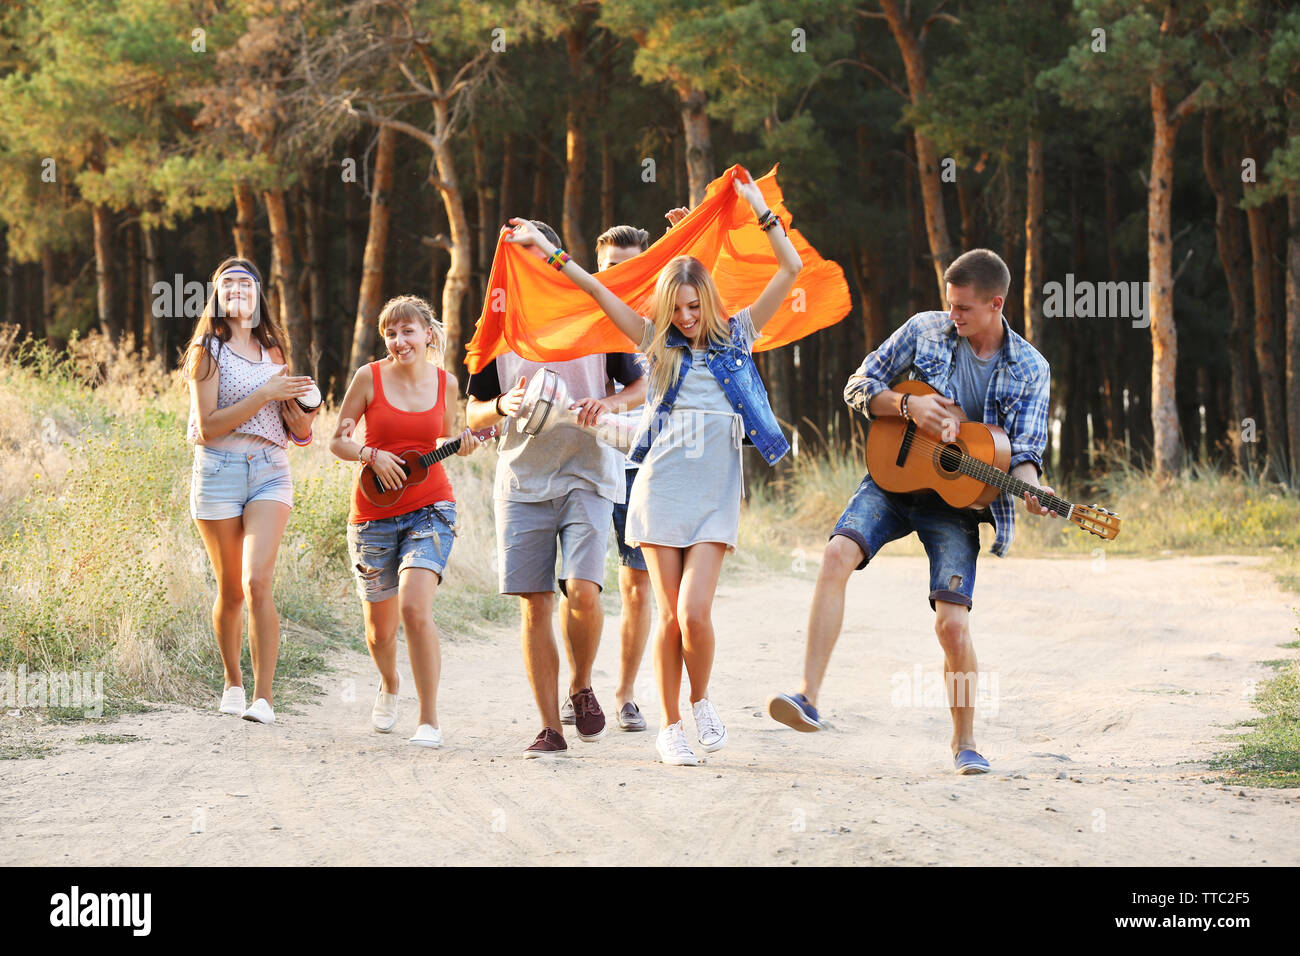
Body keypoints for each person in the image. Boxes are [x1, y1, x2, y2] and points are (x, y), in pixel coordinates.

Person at [503, 170, 802, 767]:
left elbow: (790, 270)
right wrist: (549, 249)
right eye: (678, 307)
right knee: (669, 615)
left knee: (695, 613)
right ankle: (670, 727)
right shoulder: (653, 344)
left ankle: (701, 699)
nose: (688, 317)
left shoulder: (738, 336)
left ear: (709, 303)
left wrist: (759, 208)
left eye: (695, 306)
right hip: (660, 489)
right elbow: (595, 290)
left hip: (716, 493)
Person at [765, 248, 1057, 775]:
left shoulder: (1031, 368)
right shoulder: (924, 329)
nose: (953, 316)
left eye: (965, 309)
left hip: (960, 503)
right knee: (836, 554)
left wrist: (1033, 489)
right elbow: (858, 386)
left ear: (996, 304)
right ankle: (807, 696)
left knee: (952, 627)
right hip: (892, 478)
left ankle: (965, 743)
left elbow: (1026, 454)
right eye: (949, 305)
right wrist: (906, 406)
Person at [466, 220, 649, 759]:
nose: (522, 263)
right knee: (535, 602)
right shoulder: (496, 327)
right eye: (513, 255)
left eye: (531, 253)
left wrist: (609, 405)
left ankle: (581, 684)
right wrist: (500, 407)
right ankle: (550, 726)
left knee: (585, 592)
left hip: (589, 471)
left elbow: (638, 383)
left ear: (550, 256)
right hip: (522, 480)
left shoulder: (592, 313)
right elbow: (473, 411)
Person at [330, 296, 483, 748]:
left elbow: (445, 437)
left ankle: (429, 720)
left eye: (408, 331)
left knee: (415, 608)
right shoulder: (368, 377)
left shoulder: (447, 383)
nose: (399, 341)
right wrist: (369, 454)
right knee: (379, 631)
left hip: (431, 506)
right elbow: (337, 441)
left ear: (428, 334)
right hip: (373, 513)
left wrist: (464, 445)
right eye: (391, 334)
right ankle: (390, 681)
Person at [557, 214, 687, 734]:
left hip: (648, 463)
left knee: (636, 585)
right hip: (592, 460)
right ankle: (579, 685)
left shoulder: (670, 315)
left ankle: (627, 695)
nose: (617, 275)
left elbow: (710, 289)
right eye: (609, 266)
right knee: (580, 585)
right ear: (597, 267)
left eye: (629, 267)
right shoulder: (584, 317)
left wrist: (686, 237)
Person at [184, 257, 319, 726]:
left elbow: (296, 429)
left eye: (246, 282)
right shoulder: (206, 352)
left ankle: (264, 698)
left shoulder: (275, 352)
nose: (238, 288)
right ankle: (233, 683)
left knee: (256, 581)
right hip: (218, 469)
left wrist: (302, 418)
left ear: (259, 294)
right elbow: (207, 427)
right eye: (228, 283)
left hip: (269, 470)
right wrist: (263, 395)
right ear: (218, 296)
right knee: (230, 591)